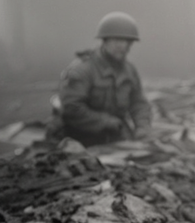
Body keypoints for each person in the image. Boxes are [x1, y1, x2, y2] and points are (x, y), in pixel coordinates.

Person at [50, 12, 152, 146]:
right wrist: (106, 122)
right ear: (104, 40)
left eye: (127, 41)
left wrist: (142, 127)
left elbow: (138, 102)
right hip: (76, 138)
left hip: (112, 136)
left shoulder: (129, 70)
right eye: (116, 40)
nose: (122, 46)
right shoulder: (82, 70)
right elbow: (71, 108)